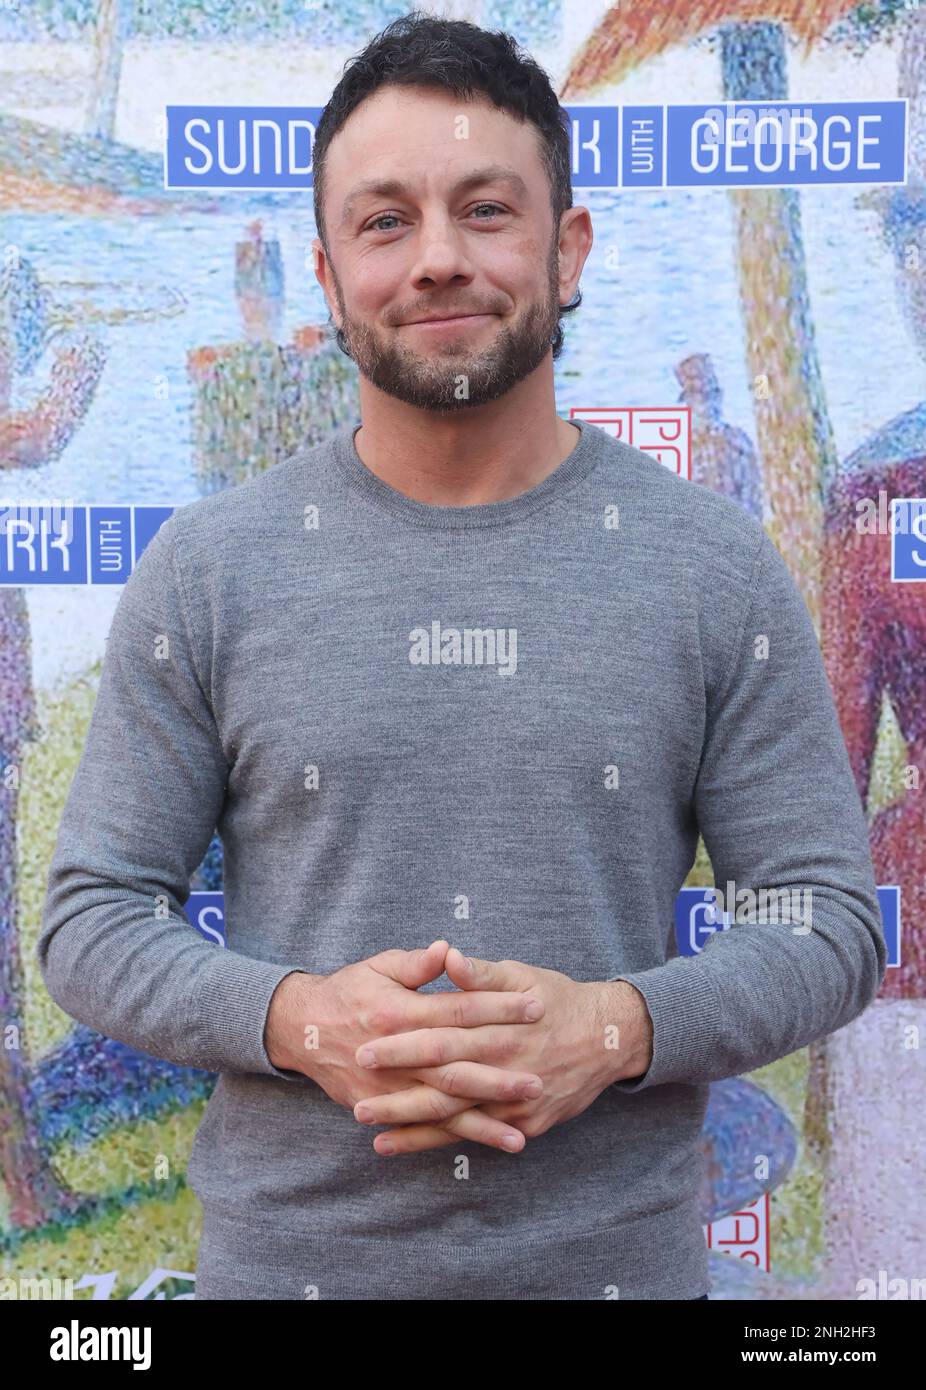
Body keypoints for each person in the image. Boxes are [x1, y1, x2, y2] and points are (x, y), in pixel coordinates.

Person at [38, 13, 886, 1301]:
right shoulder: (210, 571)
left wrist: (615, 1030)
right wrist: (298, 1019)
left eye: (486, 210)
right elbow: (91, 918)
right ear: (325, 277)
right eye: (385, 222)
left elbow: (826, 923)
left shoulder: (711, 569)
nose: (438, 259)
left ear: (570, 251)